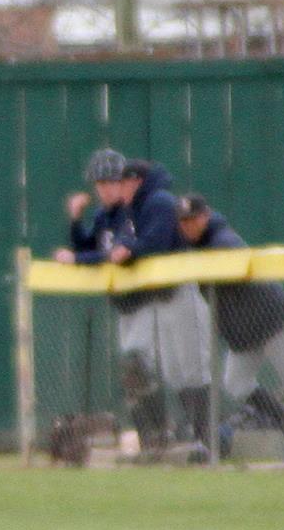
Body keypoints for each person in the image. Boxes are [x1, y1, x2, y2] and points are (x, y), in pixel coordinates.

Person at [53, 150, 212, 458]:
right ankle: (158, 439)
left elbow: (132, 250)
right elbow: (101, 249)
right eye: (100, 183)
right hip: (141, 301)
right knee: (144, 368)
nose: (106, 189)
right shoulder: (111, 213)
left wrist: (81, 259)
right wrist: (75, 223)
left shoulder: (151, 205)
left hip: (174, 293)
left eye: (113, 182)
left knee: (183, 370)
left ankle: (202, 439)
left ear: (133, 182)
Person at [175, 194, 284, 456]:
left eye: (192, 219)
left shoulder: (222, 236)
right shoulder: (190, 245)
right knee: (236, 383)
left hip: (273, 321)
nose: (187, 225)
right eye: (183, 221)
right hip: (243, 333)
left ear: (205, 216)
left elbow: (230, 252)